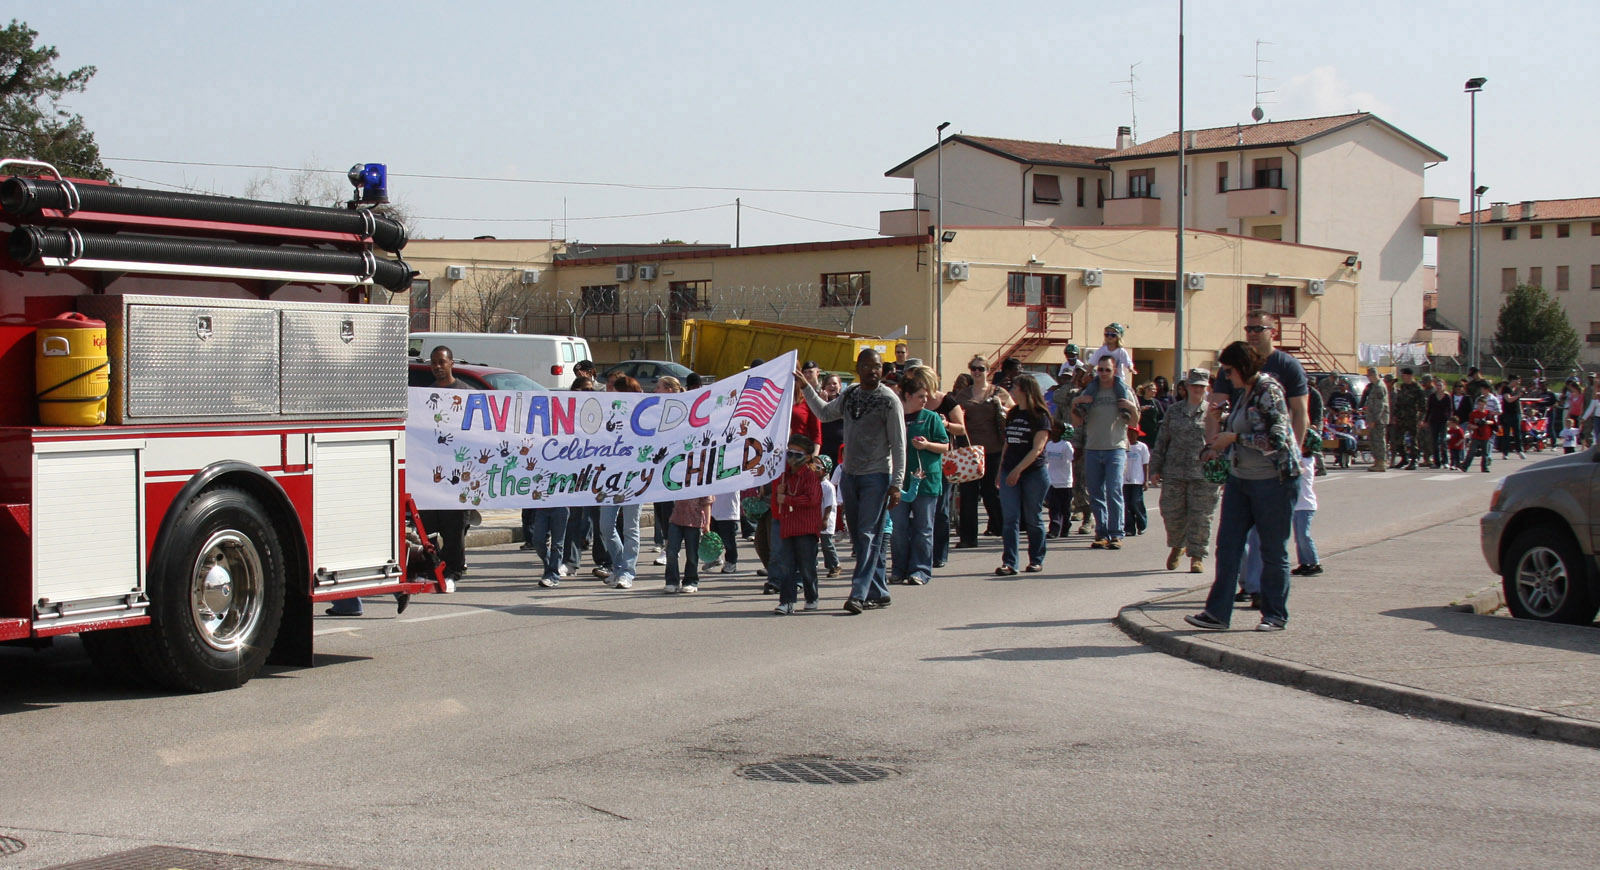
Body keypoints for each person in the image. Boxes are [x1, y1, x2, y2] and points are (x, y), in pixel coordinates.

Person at [1184, 341, 1298, 633]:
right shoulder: (1243, 394)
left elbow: (1277, 439)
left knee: (1273, 550)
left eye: (1230, 370)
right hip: (1241, 479)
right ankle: (1217, 613)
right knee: (1228, 546)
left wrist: (1233, 439)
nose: (1227, 376)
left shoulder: (1268, 391)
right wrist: (1217, 442)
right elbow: (1237, 431)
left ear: (1244, 367)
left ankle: (1274, 615)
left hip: (1273, 482)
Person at [799, 349, 906, 614]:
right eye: (868, 366)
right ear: (858, 368)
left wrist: (897, 483)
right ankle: (879, 592)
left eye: (878, 366)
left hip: (877, 476)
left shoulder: (888, 400)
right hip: (850, 475)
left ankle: (858, 593)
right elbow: (824, 414)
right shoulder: (851, 395)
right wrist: (806, 387)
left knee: (869, 534)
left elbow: (899, 445)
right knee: (861, 537)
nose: (873, 371)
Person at [1150, 368, 1221, 574]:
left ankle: (1197, 555)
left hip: (1203, 474)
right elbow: (1162, 440)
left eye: (1201, 386)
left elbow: (1220, 444)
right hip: (1174, 471)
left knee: (1201, 517)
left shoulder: (1213, 412)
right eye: (1193, 385)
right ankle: (1177, 545)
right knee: (1171, 513)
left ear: (1206, 387)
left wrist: (1221, 475)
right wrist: (1155, 468)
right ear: (1186, 387)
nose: (1197, 389)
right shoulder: (1174, 410)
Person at [891, 367, 949, 585]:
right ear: (908, 396)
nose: (926, 400)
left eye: (926, 396)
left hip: (926, 481)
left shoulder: (932, 418)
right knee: (898, 528)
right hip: (900, 481)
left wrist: (927, 445)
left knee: (923, 528)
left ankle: (921, 570)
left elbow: (945, 446)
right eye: (921, 396)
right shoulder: (896, 417)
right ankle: (899, 568)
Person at [1077, 357, 1138, 549]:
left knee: (1114, 491)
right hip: (1093, 447)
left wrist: (1132, 408)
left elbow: (1134, 422)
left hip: (1115, 448)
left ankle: (1116, 534)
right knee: (1095, 493)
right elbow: (1077, 421)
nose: (1103, 374)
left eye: (1107, 370)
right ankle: (1101, 533)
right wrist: (1075, 402)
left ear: (1115, 371)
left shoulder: (1123, 390)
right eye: (1100, 370)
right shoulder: (1091, 390)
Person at [995, 374, 1051, 575]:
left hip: (1033, 473)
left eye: (1015, 387)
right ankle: (1010, 562)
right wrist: (1002, 470)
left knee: (1033, 518)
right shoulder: (1013, 413)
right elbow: (1008, 443)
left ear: (1026, 390)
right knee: (1010, 519)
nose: (1012, 391)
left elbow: (1037, 449)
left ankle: (1036, 559)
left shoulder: (1040, 416)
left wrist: (1018, 470)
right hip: (1010, 470)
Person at [955, 354, 1012, 546]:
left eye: (981, 369)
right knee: (968, 495)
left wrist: (1002, 408)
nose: (977, 372)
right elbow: (954, 416)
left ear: (989, 371)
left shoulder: (998, 392)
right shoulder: (963, 394)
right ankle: (968, 538)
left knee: (991, 491)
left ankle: (1003, 529)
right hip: (970, 451)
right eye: (974, 368)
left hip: (993, 448)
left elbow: (1013, 411)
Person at [598, 373, 645, 589]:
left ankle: (628, 571)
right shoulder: (607, 415)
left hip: (634, 479)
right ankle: (618, 566)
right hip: (610, 478)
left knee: (630, 527)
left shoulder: (642, 417)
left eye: (615, 393)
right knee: (606, 527)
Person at [772, 434, 824, 615]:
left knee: (806, 565)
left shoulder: (810, 476)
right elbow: (777, 500)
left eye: (797, 454)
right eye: (789, 453)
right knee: (786, 566)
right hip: (788, 527)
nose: (792, 458)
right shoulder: (784, 475)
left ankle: (811, 596)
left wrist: (787, 499)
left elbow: (812, 499)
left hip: (805, 528)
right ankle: (787, 601)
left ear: (808, 457)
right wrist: (779, 492)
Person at [925, 367, 965, 568]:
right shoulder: (914, 400)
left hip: (944, 460)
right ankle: (923, 551)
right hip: (920, 460)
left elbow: (962, 427)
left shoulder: (946, 400)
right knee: (922, 509)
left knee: (941, 508)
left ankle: (939, 553)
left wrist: (946, 424)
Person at [651, 376, 686, 566]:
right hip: (659, 467)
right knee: (662, 509)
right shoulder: (657, 412)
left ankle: (673, 547)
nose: (655, 390)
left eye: (659, 387)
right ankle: (668, 545)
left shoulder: (682, 411)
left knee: (675, 510)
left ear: (670, 391)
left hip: (676, 469)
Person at [664, 492, 714, 594]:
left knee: (691, 554)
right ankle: (672, 581)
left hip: (694, 521)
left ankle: (691, 581)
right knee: (671, 552)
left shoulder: (701, 482)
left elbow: (707, 503)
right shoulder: (679, 480)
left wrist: (707, 524)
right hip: (676, 519)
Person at [1290, 451, 1322, 576]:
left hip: (1306, 505)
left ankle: (1315, 563)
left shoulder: (1307, 460)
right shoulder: (1300, 458)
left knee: (1304, 535)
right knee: (1299, 537)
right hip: (1297, 505)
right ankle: (1304, 563)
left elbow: (1299, 470)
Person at [527, 502, 569, 589]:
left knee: (557, 544)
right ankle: (551, 565)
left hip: (561, 507)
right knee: (537, 540)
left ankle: (553, 576)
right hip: (542, 507)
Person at [1391, 367, 1426, 470]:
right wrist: (1395, 415)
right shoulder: (1403, 387)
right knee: (1398, 439)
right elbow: (1398, 402)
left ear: (1410, 376)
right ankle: (1404, 458)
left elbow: (1423, 406)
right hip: (1401, 418)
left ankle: (1414, 460)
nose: (1403, 377)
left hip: (1412, 418)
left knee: (1413, 440)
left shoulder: (1417, 389)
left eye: (1404, 376)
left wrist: (1420, 419)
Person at [1044, 425, 1075, 538]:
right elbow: (1046, 460)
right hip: (1052, 481)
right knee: (1054, 507)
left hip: (1065, 482)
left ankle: (1065, 527)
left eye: (1058, 430)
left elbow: (1072, 459)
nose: (1054, 432)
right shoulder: (1049, 445)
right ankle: (1054, 529)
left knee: (1065, 508)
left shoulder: (1066, 445)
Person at [703, 490, 742, 575]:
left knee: (728, 541)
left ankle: (731, 562)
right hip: (714, 510)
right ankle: (714, 558)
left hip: (729, 512)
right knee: (712, 538)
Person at [1123, 424, 1150, 537]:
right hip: (1125, 481)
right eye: (1129, 433)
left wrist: (1146, 480)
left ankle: (1141, 524)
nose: (1131, 435)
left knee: (1136, 502)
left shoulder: (1142, 447)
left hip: (1137, 480)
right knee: (1127, 504)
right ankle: (1129, 527)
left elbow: (1145, 464)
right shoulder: (1123, 446)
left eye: (1133, 433)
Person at [1362, 366, 1389, 471]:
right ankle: (1377, 461)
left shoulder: (1379, 387)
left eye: (1369, 376)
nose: (1368, 378)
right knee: (1374, 440)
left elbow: (1380, 405)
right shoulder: (1374, 386)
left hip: (1379, 420)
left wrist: (1374, 419)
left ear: (1373, 375)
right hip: (1374, 419)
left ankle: (1381, 462)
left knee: (1379, 441)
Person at [818, 454, 841, 578]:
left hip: (825, 519)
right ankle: (813, 563)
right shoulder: (813, 483)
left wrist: (825, 519)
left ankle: (834, 565)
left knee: (826, 543)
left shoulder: (828, 486)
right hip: (814, 519)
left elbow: (829, 504)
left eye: (818, 467)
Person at [1425, 376, 1455, 470]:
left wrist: (1449, 420)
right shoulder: (1432, 397)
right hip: (1434, 420)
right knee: (1435, 442)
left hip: (1443, 421)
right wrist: (1426, 420)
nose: (1439, 387)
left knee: (1443, 441)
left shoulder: (1447, 397)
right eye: (1437, 385)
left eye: (1440, 385)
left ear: (1444, 386)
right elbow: (1429, 409)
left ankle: (1445, 461)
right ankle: (1436, 462)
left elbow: (1450, 409)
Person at [817, 373, 845, 466]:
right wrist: (823, 403)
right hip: (824, 446)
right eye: (828, 384)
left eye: (834, 383)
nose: (832, 386)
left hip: (841, 447)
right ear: (824, 387)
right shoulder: (819, 401)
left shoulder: (844, 402)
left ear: (840, 386)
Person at [1467, 396, 1496, 472]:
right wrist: (1474, 426)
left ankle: (1484, 467)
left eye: (1483, 405)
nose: (1481, 406)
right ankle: (1465, 465)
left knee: (1485, 453)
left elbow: (1492, 422)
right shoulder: (1474, 413)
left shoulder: (1488, 413)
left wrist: (1485, 422)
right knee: (1472, 451)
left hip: (1486, 435)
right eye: (1479, 404)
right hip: (1476, 435)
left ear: (1485, 405)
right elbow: (1470, 424)